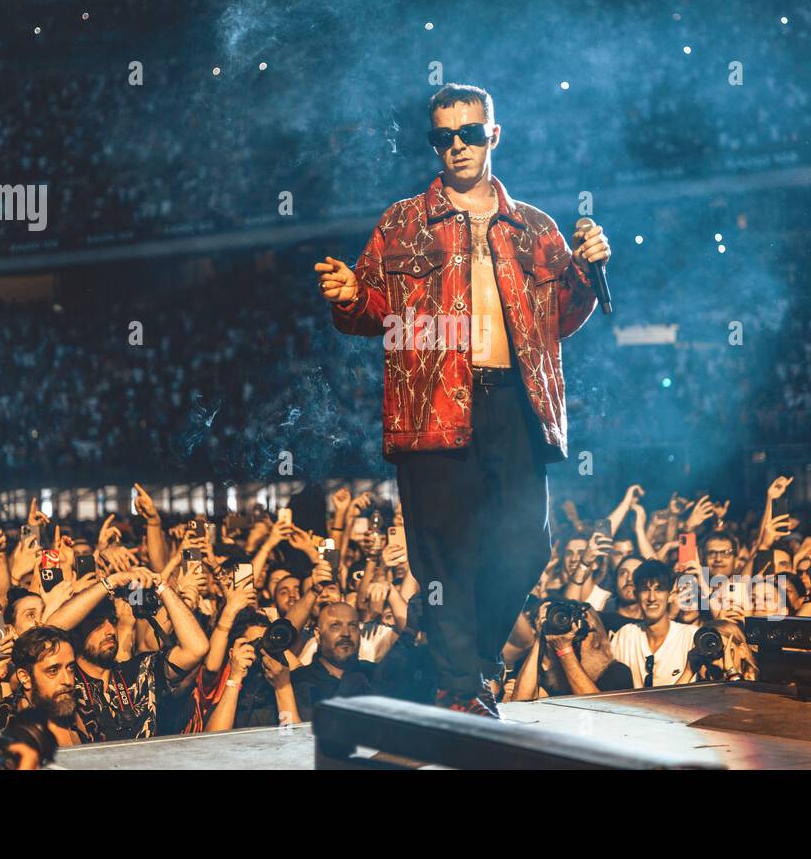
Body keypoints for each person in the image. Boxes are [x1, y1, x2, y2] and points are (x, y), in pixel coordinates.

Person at [316, 82, 610, 717]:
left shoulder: (535, 227)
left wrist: (587, 270)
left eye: (469, 133)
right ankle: (460, 690)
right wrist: (349, 296)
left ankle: (472, 663)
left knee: (528, 545)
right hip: (430, 411)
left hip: (515, 403)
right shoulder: (401, 222)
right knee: (445, 554)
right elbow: (373, 311)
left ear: (493, 135)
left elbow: (562, 316)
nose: (456, 146)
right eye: (443, 137)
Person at [608, 560, 696, 688]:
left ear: (671, 595)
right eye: (645, 590)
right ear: (636, 595)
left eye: (659, 589)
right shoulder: (625, 636)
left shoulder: (690, 636)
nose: (651, 598)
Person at [291, 602, 379, 721]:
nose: (346, 633)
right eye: (335, 626)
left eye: (353, 626)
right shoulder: (298, 681)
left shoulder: (377, 674)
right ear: (317, 635)